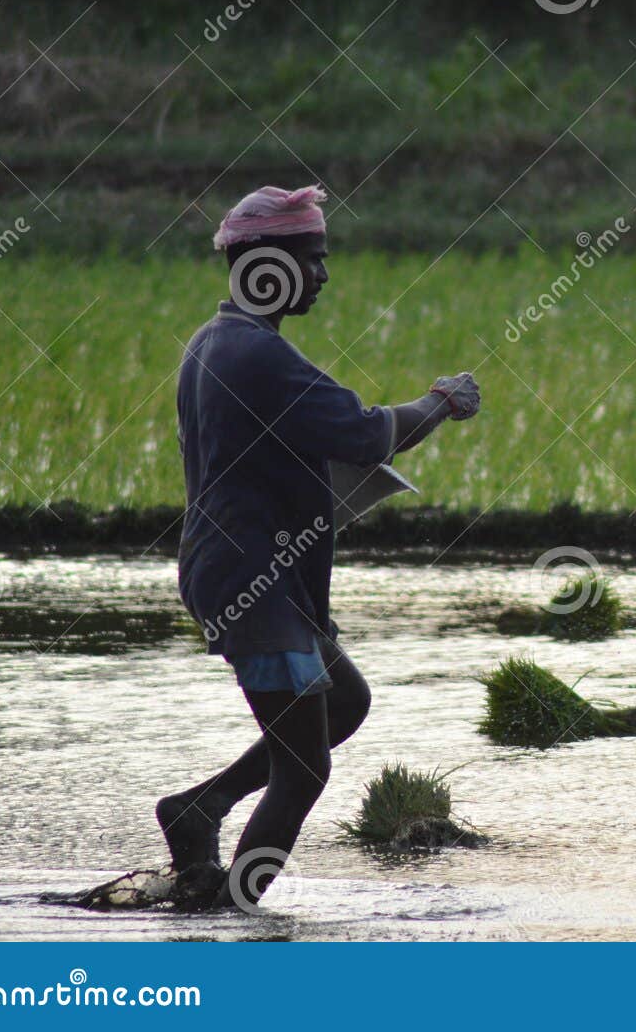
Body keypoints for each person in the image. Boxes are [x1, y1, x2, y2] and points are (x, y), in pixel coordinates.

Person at [157, 184, 480, 911]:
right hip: (253, 583)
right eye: (314, 258)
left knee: (346, 702)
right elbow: (369, 434)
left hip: (243, 571)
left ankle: (201, 806)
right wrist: (441, 401)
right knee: (303, 770)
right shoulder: (256, 356)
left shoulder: (215, 342)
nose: (325, 274)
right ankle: (234, 910)